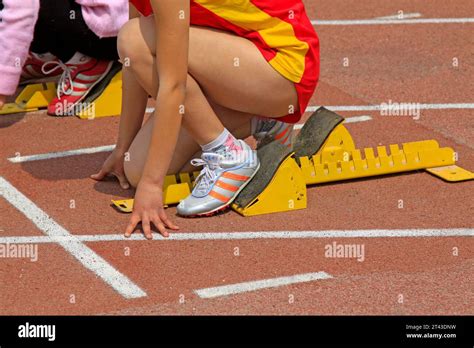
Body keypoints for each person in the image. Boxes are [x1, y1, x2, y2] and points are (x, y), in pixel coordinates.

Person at [91, 0, 320, 239]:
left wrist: (153, 185)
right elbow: (132, 65)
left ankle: (227, 153)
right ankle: (262, 119)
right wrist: (123, 148)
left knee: (134, 39)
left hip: (283, 66)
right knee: (136, 169)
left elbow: (173, 84)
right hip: (239, 63)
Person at [0, 0, 128, 116]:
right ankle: (46, 54)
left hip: (110, 34)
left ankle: (83, 61)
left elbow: (20, 13)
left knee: (28, 5)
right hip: (130, 24)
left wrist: (4, 79)